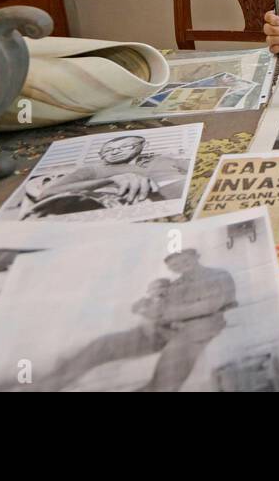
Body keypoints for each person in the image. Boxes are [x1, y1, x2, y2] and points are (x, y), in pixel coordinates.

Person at [36, 249, 237, 392]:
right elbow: (149, 305)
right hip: (163, 331)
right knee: (103, 345)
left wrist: (164, 314)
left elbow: (209, 306)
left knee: (164, 384)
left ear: (195, 256)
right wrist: (145, 305)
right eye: (175, 265)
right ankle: (49, 385)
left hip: (195, 333)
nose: (180, 267)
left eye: (184, 260)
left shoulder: (218, 275)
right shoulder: (172, 284)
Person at [19, 135, 188, 218]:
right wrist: (109, 180)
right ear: (101, 155)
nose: (115, 151)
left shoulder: (164, 160)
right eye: (108, 150)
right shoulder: (93, 170)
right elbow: (47, 192)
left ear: (143, 146)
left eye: (125, 146)